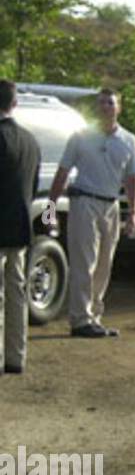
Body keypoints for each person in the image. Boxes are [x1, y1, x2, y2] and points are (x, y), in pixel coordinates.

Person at [46, 88, 135, 337]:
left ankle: (95, 316)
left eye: (110, 103)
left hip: (111, 205)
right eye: (101, 103)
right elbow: (62, 173)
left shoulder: (129, 141)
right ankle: (80, 320)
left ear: (119, 107)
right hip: (84, 202)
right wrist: (51, 207)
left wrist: (133, 212)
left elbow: (132, 179)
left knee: (104, 264)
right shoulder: (81, 137)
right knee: (84, 262)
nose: (105, 107)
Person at [0, 80, 41, 374]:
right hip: (21, 226)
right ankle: (16, 356)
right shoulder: (30, 140)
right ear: (14, 104)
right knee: (16, 292)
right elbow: (34, 187)